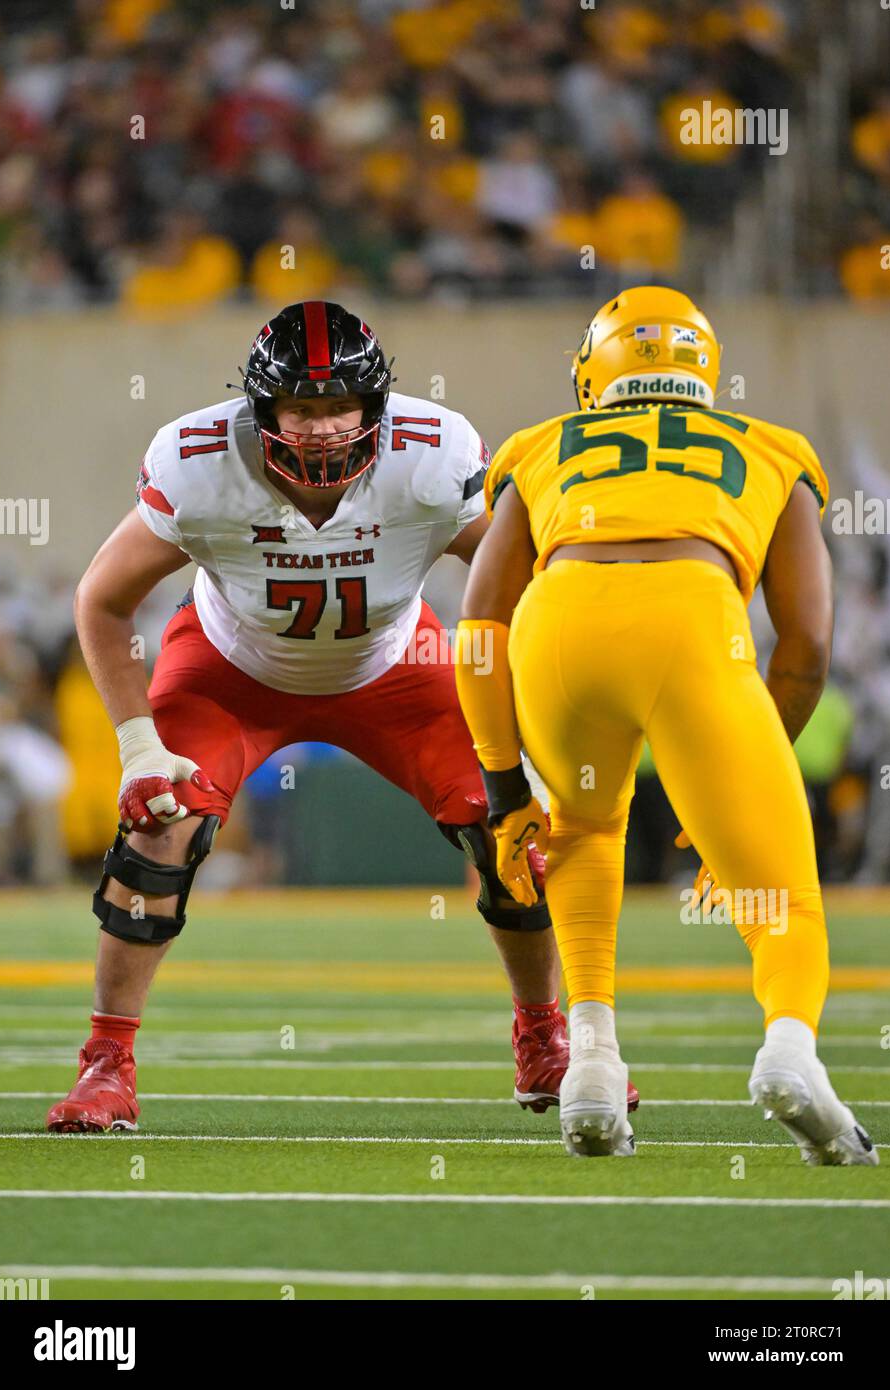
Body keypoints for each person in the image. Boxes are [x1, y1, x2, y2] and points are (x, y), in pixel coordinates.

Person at [46, 301, 640, 1133]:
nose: (323, 428)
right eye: (302, 408)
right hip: (229, 670)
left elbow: (528, 577)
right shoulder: (199, 464)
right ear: (263, 412)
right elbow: (101, 601)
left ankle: (541, 1040)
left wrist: (543, 700)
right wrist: (139, 747)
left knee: (512, 830)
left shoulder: (432, 461)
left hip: (397, 667)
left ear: (376, 408)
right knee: (157, 834)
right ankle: (106, 1064)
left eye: (339, 407)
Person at [454, 285, 878, 1164]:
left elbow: (480, 623)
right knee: (783, 893)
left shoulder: (542, 445)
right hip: (692, 620)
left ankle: (594, 1062)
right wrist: (749, 769)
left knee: (581, 826)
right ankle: (789, 1052)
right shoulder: (769, 448)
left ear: (593, 370)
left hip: (559, 622)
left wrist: (502, 792)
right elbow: (804, 645)